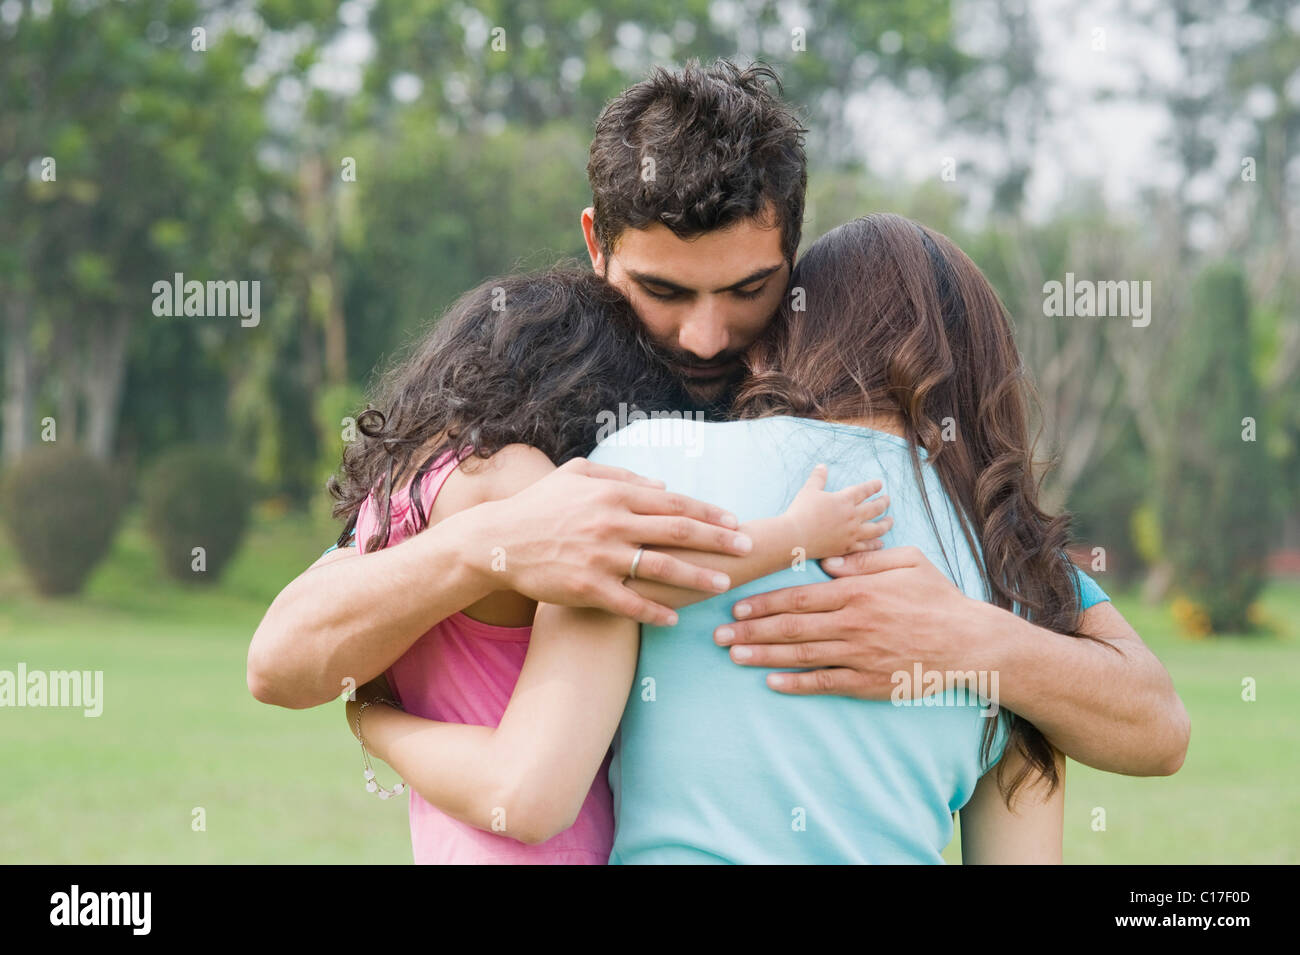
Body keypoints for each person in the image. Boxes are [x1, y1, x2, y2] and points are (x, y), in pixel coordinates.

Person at [248, 59, 1189, 788]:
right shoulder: (538, 392)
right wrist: (498, 541)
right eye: (662, 290)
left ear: (795, 249)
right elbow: (282, 659)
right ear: (594, 242)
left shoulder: (843, 422)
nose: (705, 335)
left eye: (749, 289)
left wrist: (965, 641)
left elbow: (1154, 723)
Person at [349, 214, 1109, 863]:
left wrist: (375, 721)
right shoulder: (1017, 575)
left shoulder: (640, 470)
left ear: (798, 325)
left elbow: (528, 786)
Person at [334, 266, 887, 862]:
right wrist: (796, 534)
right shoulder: (520, 480)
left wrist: (373, 718)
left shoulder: (388, 509)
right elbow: (635, 571)